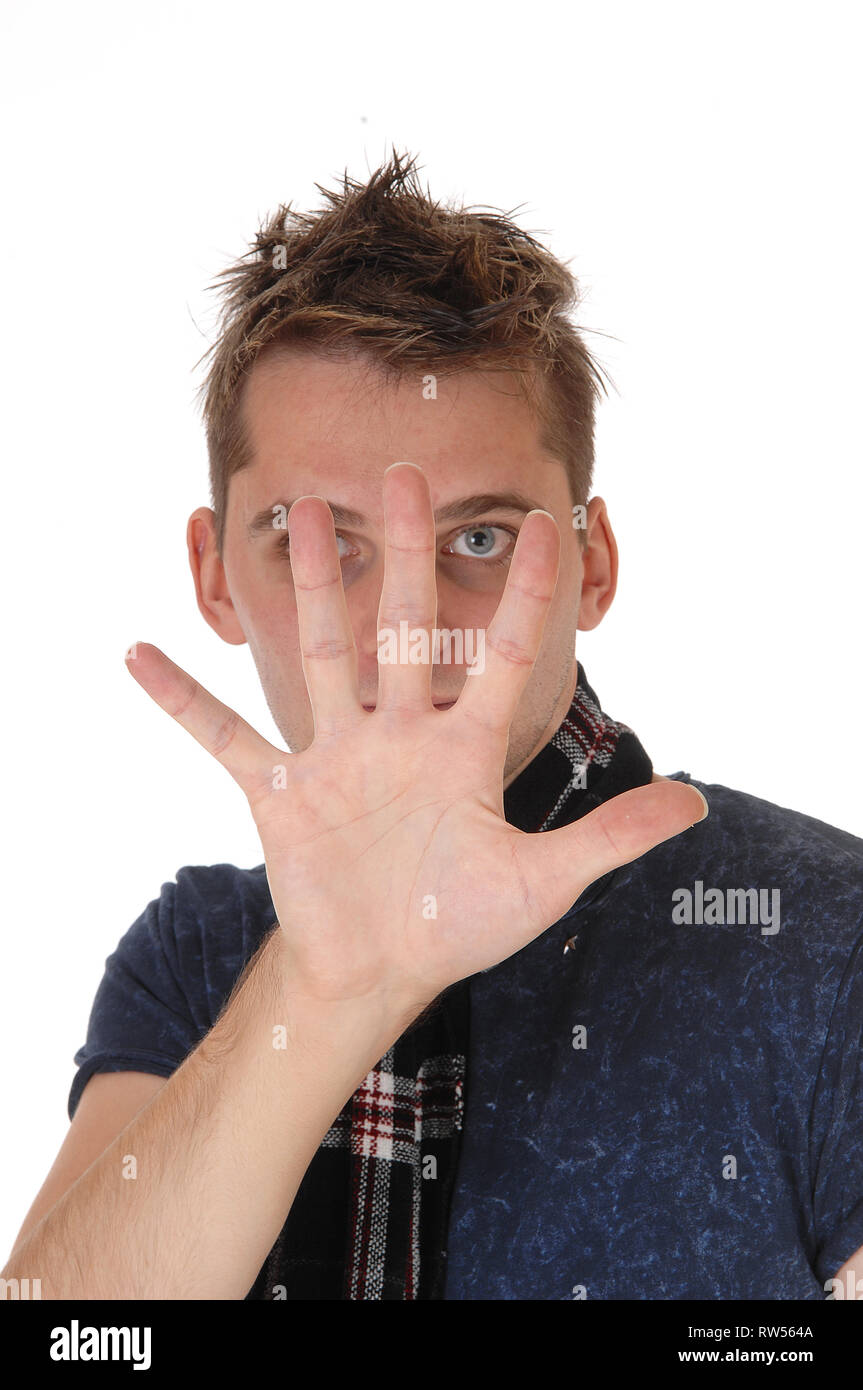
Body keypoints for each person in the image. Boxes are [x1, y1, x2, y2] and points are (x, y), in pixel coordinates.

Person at [3, 150, 862, 1301]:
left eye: (478, 539)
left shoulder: (824, 935)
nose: (399, 627)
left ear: (591, 564)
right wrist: (323, 992)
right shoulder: (200, 953)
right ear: (215, 579)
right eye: (319, 546)